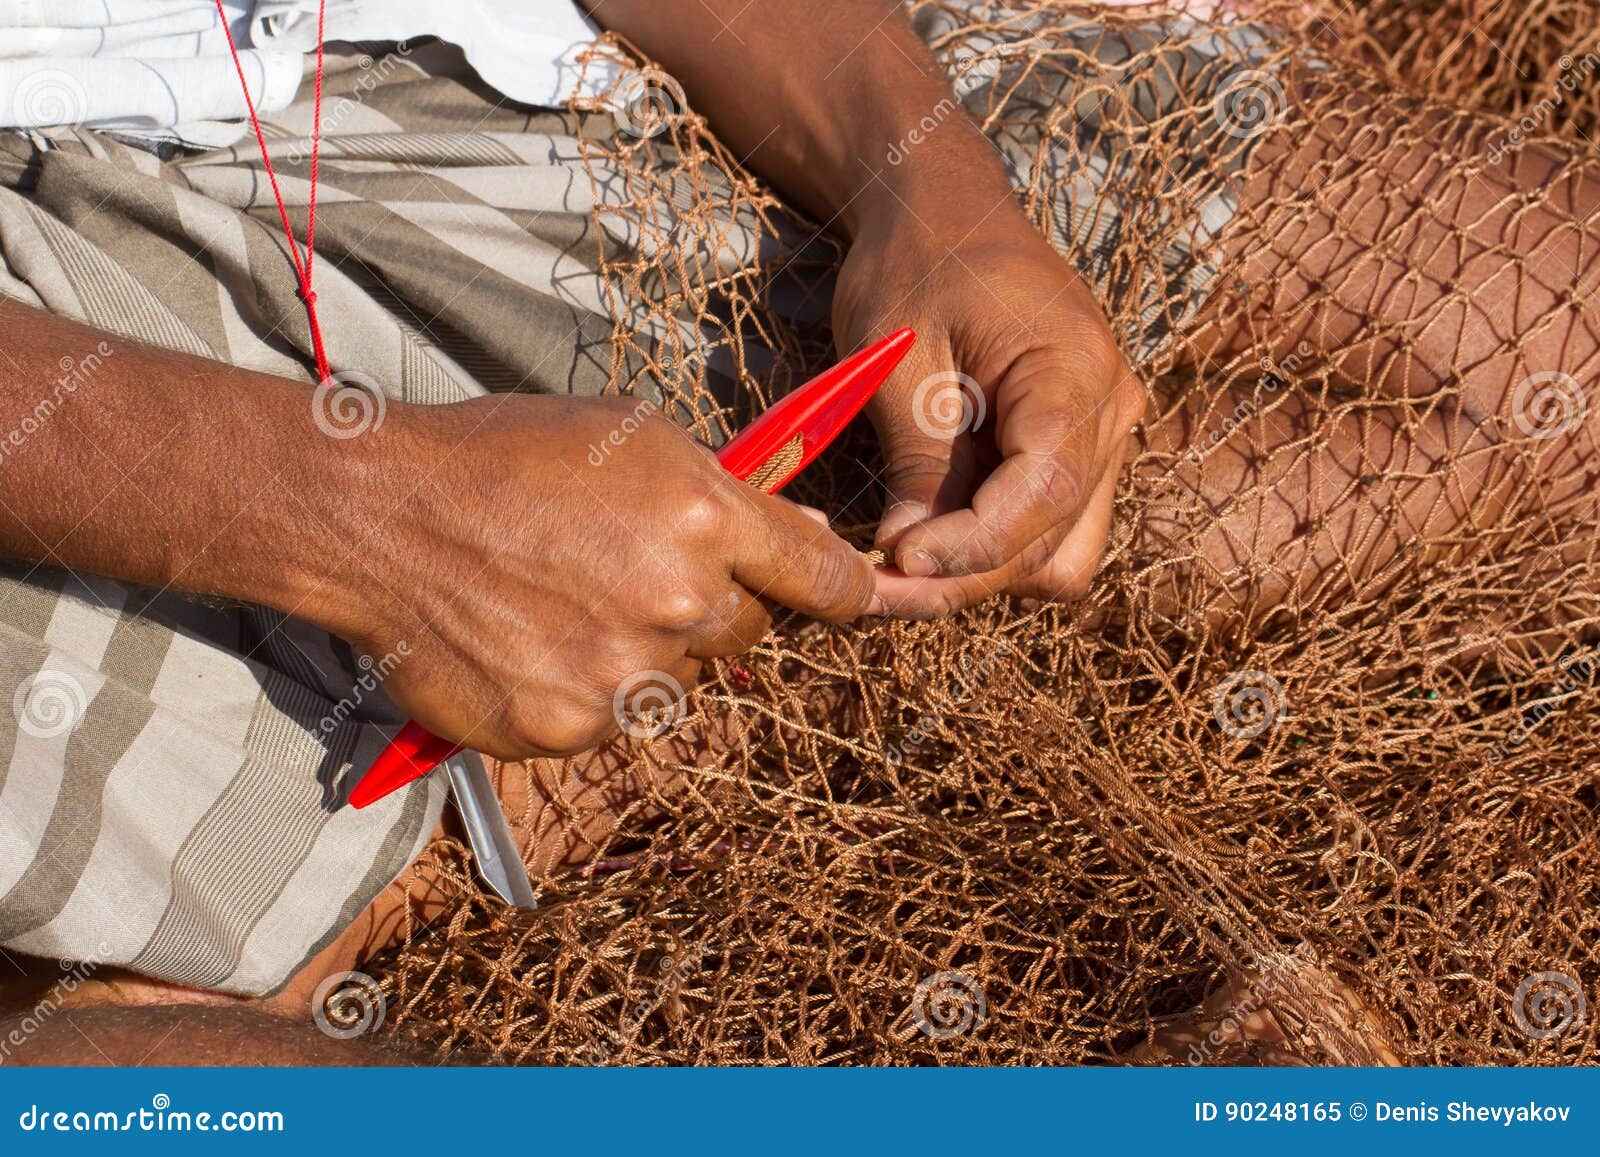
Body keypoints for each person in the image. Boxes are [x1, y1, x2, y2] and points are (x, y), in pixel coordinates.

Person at [0, 0, 1592, 1062]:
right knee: (123, 1064)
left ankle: (563, 767)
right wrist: (357, 508)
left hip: (470, 62)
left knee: (1556, 348)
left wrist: (934, 189)